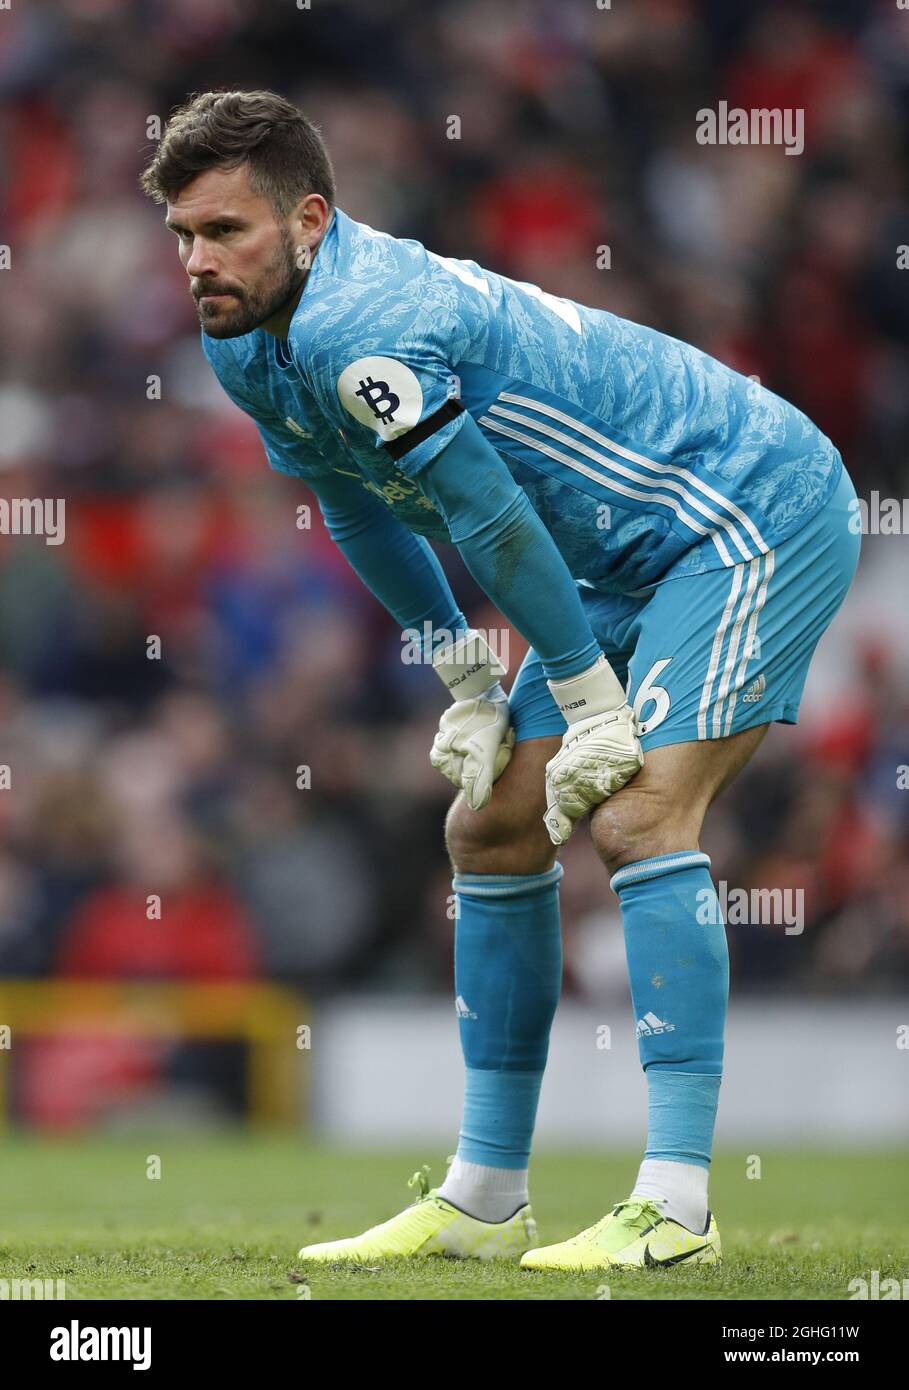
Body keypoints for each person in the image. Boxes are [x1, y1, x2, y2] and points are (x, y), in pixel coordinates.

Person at [140, 89, 860, 1270]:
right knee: (491, 824)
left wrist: (586, 700)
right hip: (618, 554)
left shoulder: (357, 324)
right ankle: (484, 1195)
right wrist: (470, 679)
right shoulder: (243, 344)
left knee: (634, 813)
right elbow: (362, 509)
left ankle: (678, 1202)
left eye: (226, 232)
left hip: (743, 510)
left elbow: (486, 510)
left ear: (310, 219)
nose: (198, 262)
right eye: (183, 236)